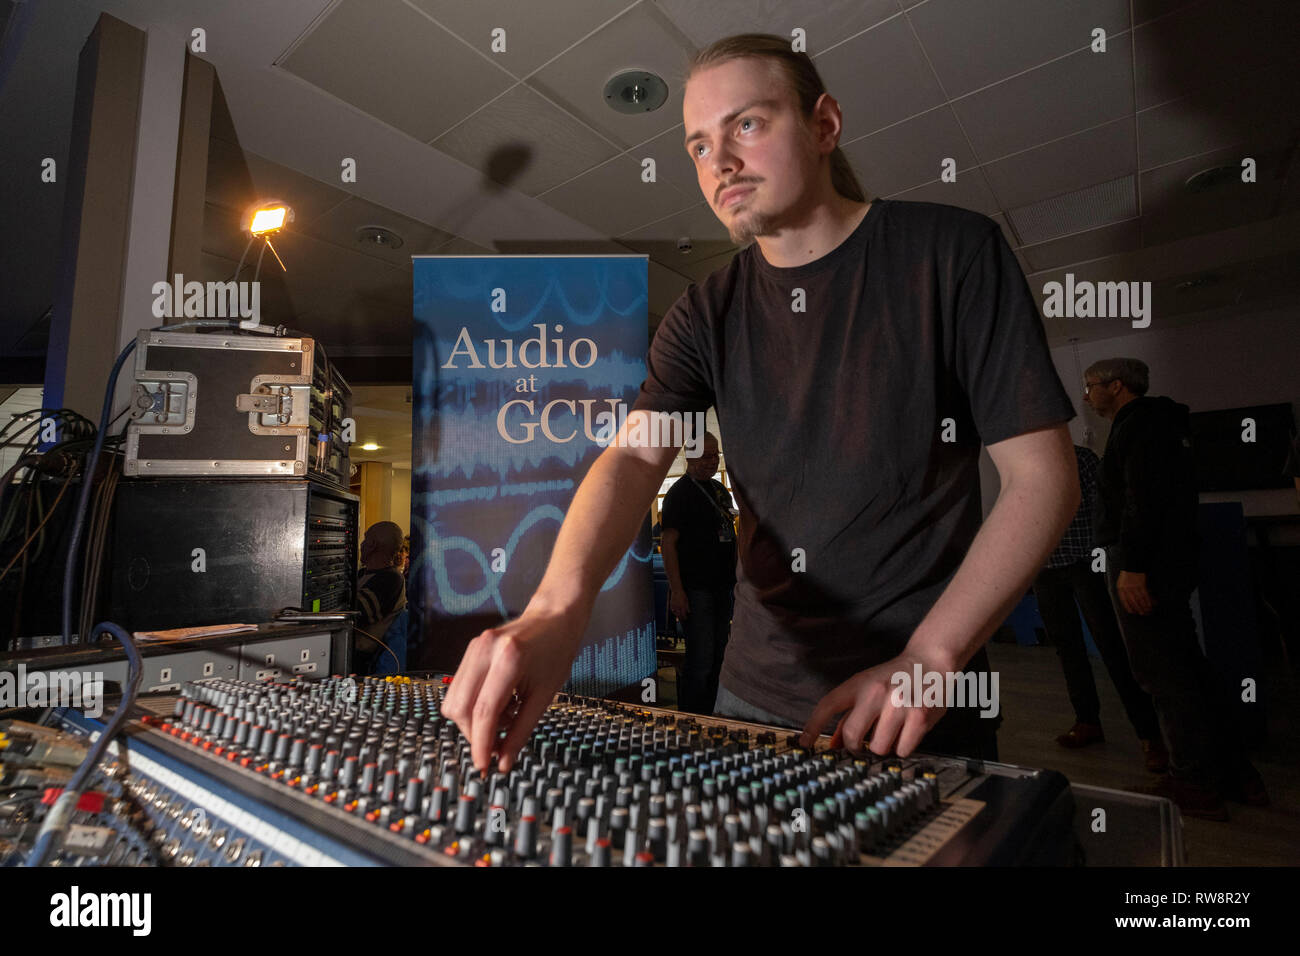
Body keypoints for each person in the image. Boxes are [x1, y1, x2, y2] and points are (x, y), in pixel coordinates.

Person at [443, 33, 1080, 775]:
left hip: (914, 694)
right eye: (699, 145)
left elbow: (1043, 478)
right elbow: (634, 456)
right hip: (753, 691)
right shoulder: (705, 310)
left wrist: (931, 657)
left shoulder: (952, 254)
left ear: (824, 124)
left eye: (747, 124)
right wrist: (556, 610)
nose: (721, 161)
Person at [1085, 357, 1268, 819]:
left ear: (1117, 386)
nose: (1087, 396)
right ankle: (1236, 774)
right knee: (1189, 670)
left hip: (1146, 567)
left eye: (1091, 386)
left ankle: (1194, 782)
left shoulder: (1139, 427)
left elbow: (1142, 501)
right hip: (1171, 563)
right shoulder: (1162, 424)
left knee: (1164, 677)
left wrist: (1134, 568)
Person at [1033, 443, 1166, 770]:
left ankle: (1150, 735)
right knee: (1067, 649)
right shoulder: (1026, 463)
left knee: (1113, 647)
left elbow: (1103, 510)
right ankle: (1087, 721)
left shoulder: (1082, 458)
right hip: (1046, 568)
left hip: (1085, 563)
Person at [659, 432, 737, 713]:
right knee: (700, 661)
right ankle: (693, 720)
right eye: (705, 456)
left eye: (715, 455)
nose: (711, 461)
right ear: (689, 457)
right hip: (696, 590)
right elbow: (668, 544)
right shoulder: (679, 494)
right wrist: (677, 591)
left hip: (723, 588)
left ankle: (714, 716)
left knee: (719, 658)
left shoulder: (719, 490)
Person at [355, 521, 407, 674]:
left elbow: (358, 613)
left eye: (365, 539)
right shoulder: (362, 573)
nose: (361, 545)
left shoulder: (391, 579)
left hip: (364, 660)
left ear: (372, 544)